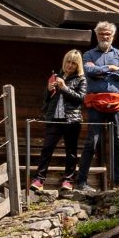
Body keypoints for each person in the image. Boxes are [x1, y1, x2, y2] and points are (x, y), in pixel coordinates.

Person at [81, 20, 119, 190]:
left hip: (116, 102)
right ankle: (81, 182)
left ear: (113, 36)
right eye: (101, 33)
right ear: (97, 35)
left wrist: (100, 70)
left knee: (118, 141)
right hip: (95, 101)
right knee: (91, 141)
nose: (104, 36)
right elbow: (89, 71)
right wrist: (110, 68)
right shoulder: (88, 54)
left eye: (107, 34)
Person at [30, 49, 85, 190]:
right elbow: (46, 100)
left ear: (78, 65)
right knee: (47, 149)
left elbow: (80, 99)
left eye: (73, 63)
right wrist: (49, 90)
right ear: (64, 61)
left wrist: (65, 88)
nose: (70, 65)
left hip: (71, 120)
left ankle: (68, 181)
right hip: (54, 119)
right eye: (68, 61)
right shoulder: (55, 76)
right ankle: (39, 180)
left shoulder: (81, 79)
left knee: (71, 152)